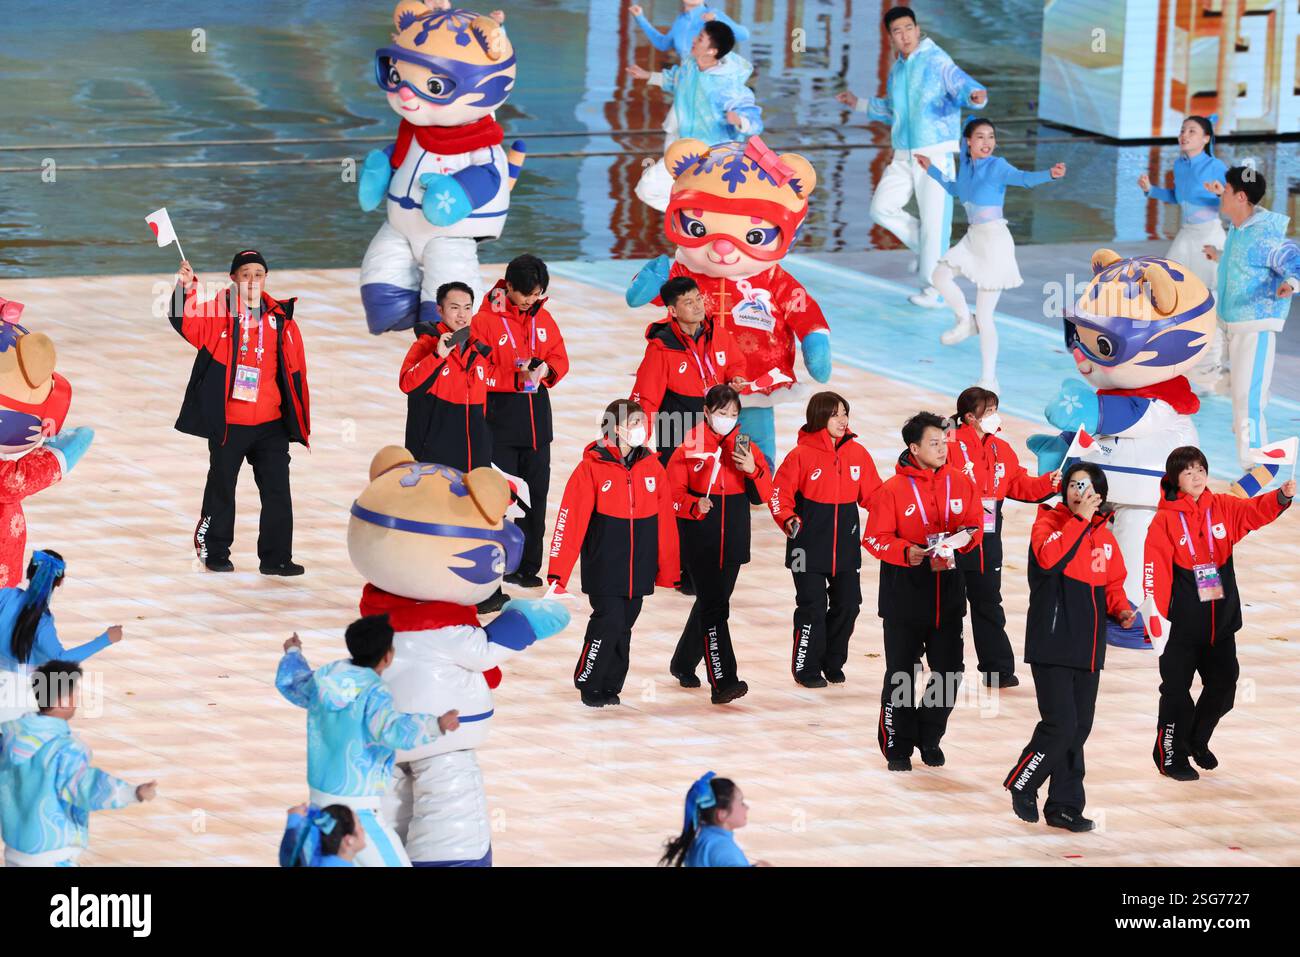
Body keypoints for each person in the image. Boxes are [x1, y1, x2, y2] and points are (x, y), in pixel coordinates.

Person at [1144, 446, 1293, 780]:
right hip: (1180, 628)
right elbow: (1154, 572)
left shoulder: (1221, 507)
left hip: (1220, 624)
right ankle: (1170, 756)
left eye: (1200, 469)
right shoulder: (1165, 520)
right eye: (1188, 472)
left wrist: (1280, 498)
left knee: (1224, 687)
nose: (1196, 477)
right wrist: (1156, 620)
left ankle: (1195, 740)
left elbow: (1253, 511)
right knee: (1176, 694)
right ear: (1175, 480)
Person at [1004, 463, 1133, 832]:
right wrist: (1078, 521)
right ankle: (1023, 781)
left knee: (1078, 730)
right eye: (1075, 486)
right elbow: (1049, 558)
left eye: (1088, 488)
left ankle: (1064, 806)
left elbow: (1113, 582)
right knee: (1060, 725)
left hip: (1090, 648)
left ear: (1101, 495)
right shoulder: (1048, 522)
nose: (1080, 493)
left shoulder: (1105, 537)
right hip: (1053, 642)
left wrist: (1120, 609)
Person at [274, 618, 460, 866]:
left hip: (320, 800)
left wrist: (293, 652)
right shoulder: (374, 691)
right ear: (387, 657)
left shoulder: (326, 679)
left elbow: (293, 683)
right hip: (357, 808)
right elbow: (391, 730)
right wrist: (435, 725)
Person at [836, 5, 987, 307]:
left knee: (935, 223)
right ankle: (934, 255)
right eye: (897, 31)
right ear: (891, 37)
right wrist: (859, 103)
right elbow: (892, 109)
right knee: (882, 208)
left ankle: (935, 290)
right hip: (904, 154)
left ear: (917, 30)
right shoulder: (899, 69)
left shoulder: (936, 60)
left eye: (908, 28)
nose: (904, 35)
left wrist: (975, 95)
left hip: (935, 155)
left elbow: (961, 85)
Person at [170, 252, 310, 576]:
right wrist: (184, 289)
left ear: (265, 279)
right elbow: (185, 321)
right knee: (221, 489)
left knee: (277, 491)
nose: (252, 281)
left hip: (270, 423)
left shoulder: (280, 318)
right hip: (230, 422)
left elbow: (295, 370)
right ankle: (214, 551)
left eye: (258, 274)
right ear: (233, 278)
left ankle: (277, 558)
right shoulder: (219, 312)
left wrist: (298, 419)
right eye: (245, 274)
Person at [862, 411, 983, 771]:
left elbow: (975, 525)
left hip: (947, 588)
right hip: (905, 590)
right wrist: (905, 551)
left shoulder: (961, 482)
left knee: (949, 672)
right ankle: (896, 744)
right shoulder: (892, 490)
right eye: (934, 443)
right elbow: (873, 539)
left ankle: (928, 735)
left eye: (945, 441)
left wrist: (964, 540)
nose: (943, 448)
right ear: (914, 448)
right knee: (902, 673)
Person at [547, 400, 680, 707]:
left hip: (640, 567)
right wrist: (558, 575)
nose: (641, 429)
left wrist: (670, 569)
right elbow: (570, 521)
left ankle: (611, 684)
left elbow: (666, 524)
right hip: (605, 565)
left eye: (642, 422)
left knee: (625, 625)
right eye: (634, 423)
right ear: (616, 428)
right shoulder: (591, 469)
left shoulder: (653, 468)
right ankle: (588, 680)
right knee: (608, 620)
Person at [918, 120, 1065, 390]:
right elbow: (956, 189)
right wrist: (932, 171)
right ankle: (965, 320)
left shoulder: (997, 166)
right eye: (980, 137)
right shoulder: (967, 170)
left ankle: (988, 378)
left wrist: (1050, 174)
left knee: (985, 317)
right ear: (968, 142)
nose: (987, 142)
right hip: (973, 238)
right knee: (939, 275)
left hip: (995, 242)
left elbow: (1023, 178)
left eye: (991, 137)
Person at [632, 276, 747, 594]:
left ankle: (708, 564)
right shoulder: (662, 347)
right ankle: (681, 568)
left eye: (699, 299)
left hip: (716, 423)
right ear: (672, 310)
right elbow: (647, 397)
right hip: (679, 424)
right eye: (689, 302)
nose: (698, 306)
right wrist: (638, 443)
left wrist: (736, 377)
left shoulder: (717, 333)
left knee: (713, 492)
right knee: (682, 499)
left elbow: (735, 362)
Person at [471, 255, 570, 610]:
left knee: (537, 497)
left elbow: (561, 358)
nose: (530, 300)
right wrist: (515, 378)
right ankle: (498, 568)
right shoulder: (484, 320)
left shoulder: (543, 318)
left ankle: (527, 567)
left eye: (537, 293)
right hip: (500, 423)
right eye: (525, 293)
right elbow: (477, 372)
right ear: (507, 286)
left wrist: (547, 370)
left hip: (537, 424)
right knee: (502, 501)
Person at [947, 387, 1060, 687]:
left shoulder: (1000, 448)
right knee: (948, 606)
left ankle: (997, 671)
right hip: (953, 538)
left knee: (988, 603)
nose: (996, 416)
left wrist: (1050, 482)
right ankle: (946, 668)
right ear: (969, 417)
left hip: (988, 539)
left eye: (996, 409)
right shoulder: (948, 445)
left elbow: (1021, 485)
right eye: (990, 411)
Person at [666, 385, 772, 704]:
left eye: (733, 414)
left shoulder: (746, 446)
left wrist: (752, 471)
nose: (727, 419)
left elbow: (763, 495)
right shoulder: (689, 445)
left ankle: (683, 662)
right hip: (701, 535)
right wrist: (692, 506)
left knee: (712, 602)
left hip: (735, 534)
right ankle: (723, 680)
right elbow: (670, 497)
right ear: (707, 412)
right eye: (721, 413)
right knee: (715, 608)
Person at [768, 392, 881, 687]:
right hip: (805, 549)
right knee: (812, 607)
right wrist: (789, 521)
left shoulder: (857, 453)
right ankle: (805, 668)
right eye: (835, 414)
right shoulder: (801, 455)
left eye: (845, 413)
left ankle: (832, 661)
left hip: (845, 548)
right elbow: (778, 495)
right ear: (819, 417)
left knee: (849, 604)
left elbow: (875, 496)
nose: (842, 420)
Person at [0, 660, 158, 867]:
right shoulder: (66, 748)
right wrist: (131, 792)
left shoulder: (9, 739)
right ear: (64, 700)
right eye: (75, 694)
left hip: (15, 851)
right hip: (53, 853)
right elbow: (84, 785)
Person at [1204, 167, 1300, 470]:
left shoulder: (1264, 234)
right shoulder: (1240, 226)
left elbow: (1292, 260)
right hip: (1229, 322)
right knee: (1210, 376)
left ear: (1240, 196)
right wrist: (1219, 256)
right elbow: (1246, 260)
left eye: (1227, 191)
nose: (1223, 195)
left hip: (1254, 327)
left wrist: (1292, 283)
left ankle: (1257, 465)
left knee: (1248, 398)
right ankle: (1251, 409)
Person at [627, 21, 762, 211]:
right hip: (679, 145)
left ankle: (699, 221)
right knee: (647, 189)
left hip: (711, 155)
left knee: (703, 197)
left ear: (712, 51)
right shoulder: (691, 65)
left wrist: (740, 120)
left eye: (700, 39)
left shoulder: (728, 85)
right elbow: (675, 80)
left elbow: (754, 120)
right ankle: (692, 219)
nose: (693, 40)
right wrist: (647, 76)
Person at [1138, 115, 1229, 393]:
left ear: (1205, 138)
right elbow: (1178, 198)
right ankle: (1174, 354)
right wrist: (1150, 190)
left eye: (1192, 131)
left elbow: (1234, 200)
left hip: (1208, 234)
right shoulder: (1179, 164)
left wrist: (1221, 192)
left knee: (1207, 299)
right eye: (1182, 130)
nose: (1185, 135)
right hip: (1186, 234)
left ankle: (1211, 367)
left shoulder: (1216, 166)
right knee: (1165, 286)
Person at [0, 550, 122, 722]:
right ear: (59, 581)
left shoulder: (5, 595)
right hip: (19, 700)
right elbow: (61, 659)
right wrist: (106, 639)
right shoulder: (42, 624)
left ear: (29, 572)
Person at [399, 281, 495, 471]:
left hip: (474, 460)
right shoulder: (426, 345)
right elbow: (407, 384)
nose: (462, 315)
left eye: (467, 308)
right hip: (433, 461)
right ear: (440, 311)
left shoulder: (479, 351)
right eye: (454, 308)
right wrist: (437, 357)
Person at [659, 771, 769, 867]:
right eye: (741, 803)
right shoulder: (722, 847)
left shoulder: (701, 837)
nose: (746, 807)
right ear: (722, 815)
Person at [629, 1, 750, 61]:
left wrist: (716, 19)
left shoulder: (712, 14)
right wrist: (640, 18)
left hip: (711, 84)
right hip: (686, 81)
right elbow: (663, 44)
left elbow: (743, 35)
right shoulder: (680, 20)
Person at [279, 803, 365, 867]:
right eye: (359, 823)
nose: (363, 829)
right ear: (349, 840)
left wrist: (294, 818)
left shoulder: (311, 860)